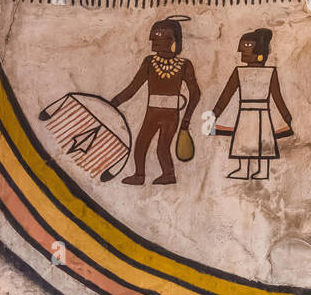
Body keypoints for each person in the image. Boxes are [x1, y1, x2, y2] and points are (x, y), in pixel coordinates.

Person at [109, 18, 201, 184]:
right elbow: (133, 88)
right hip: (153, 112)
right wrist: (114, 102)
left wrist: (186, 120)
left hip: (171, 114)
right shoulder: (150, 62)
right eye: (156, 39)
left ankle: (168, 174)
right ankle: (140, 175)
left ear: (175, 41)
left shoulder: (184, 64)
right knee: (141, 144)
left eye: (163, 39)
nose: (157, 44)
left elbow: (195, 93)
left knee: (162, 147)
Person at [211, 29, 293, 179]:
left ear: (260, 51)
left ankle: (262, 170)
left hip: (262, 111)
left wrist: (285, 114)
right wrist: (216, 112)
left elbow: (277, 97)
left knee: (264, 142)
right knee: (242, 140)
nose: (243, 52)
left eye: (248, 46)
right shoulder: (239, 71)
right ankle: (243, 169)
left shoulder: (270, 72)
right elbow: (226, 95)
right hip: (245, 111)